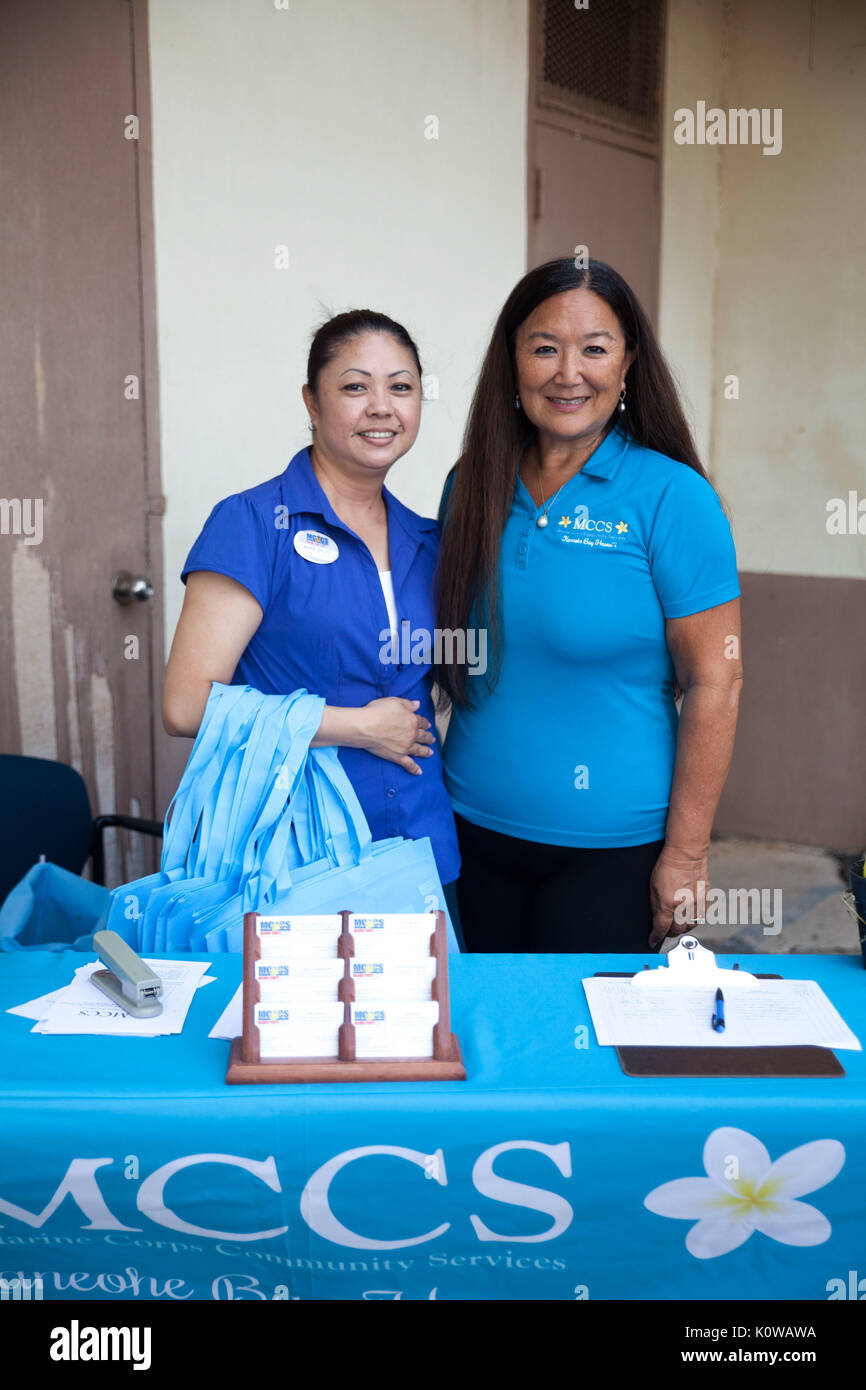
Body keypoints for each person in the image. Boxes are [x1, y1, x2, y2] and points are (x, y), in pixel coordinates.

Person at [435, 258, 742, 953]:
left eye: (595, 348)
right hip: (466, 830)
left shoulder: (672, 497)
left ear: (628, 364)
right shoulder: (471, 485)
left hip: (611, 850)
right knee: (477, 1048)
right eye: (543, 347)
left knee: (575, 1054)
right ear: (512, 361)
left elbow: (715, 681)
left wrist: (687, 856)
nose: (567, 372)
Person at [162, 309, 460, 898]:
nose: (382, 407)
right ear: (311, 402)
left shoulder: (428, 541)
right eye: (355, 386)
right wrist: (358, 728)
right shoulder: (252, 524)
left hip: (420, 844)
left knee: (427, 992)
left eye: (401, 388)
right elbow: (186, 705)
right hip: (293, 853)